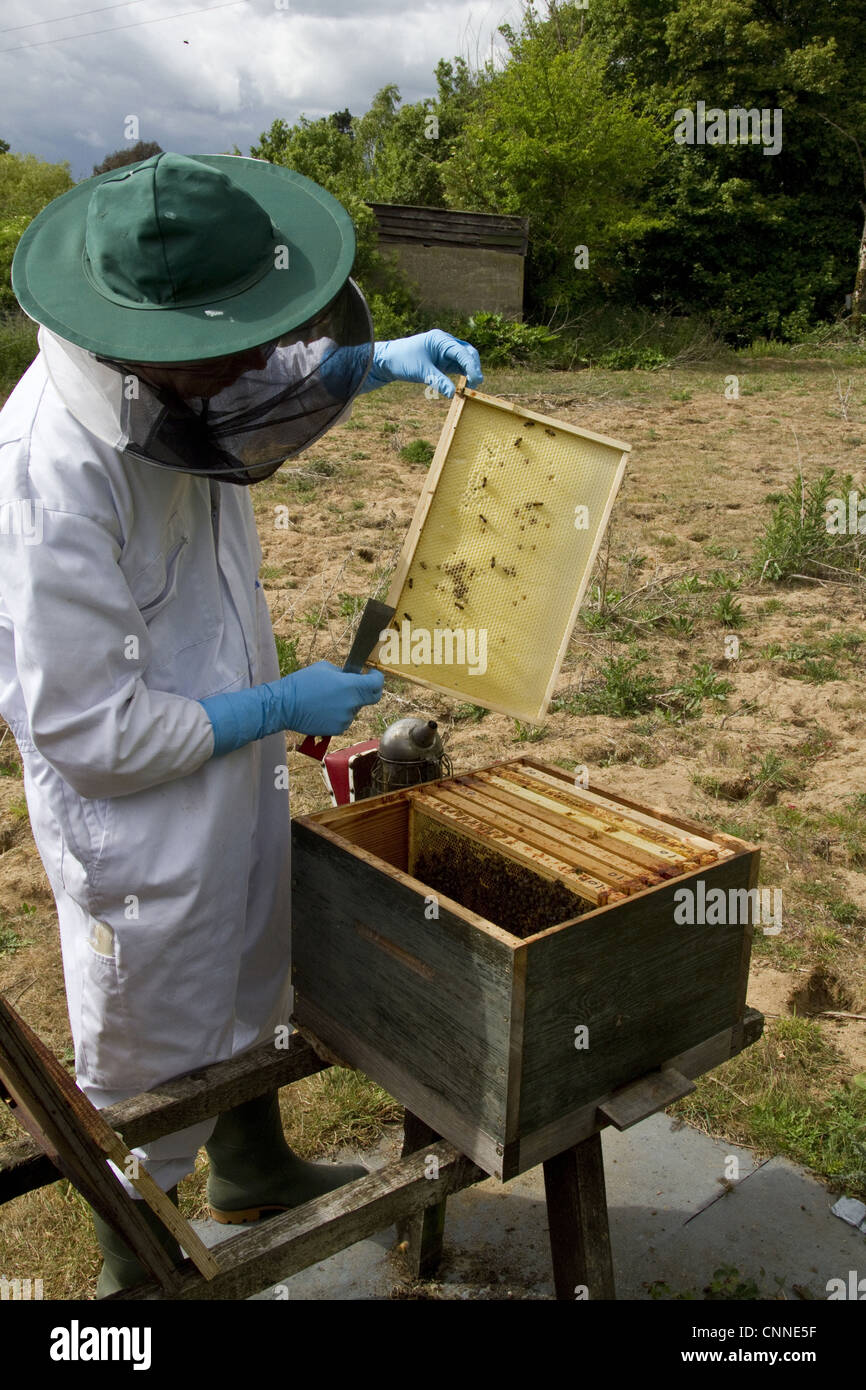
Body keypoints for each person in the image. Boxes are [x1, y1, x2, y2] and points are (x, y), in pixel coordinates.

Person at [0, 150, 483, 1295]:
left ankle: (251, 1167)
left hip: (226, 759)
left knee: (255, 961)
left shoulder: (181, 381)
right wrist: (276, 703)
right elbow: (89, 734)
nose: (253, 366)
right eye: (226, 352)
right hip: (138, 826)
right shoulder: (45, 476)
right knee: (150, 1037)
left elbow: (259, 379)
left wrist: (368, 363)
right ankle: (136, 1269)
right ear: (141, 345)